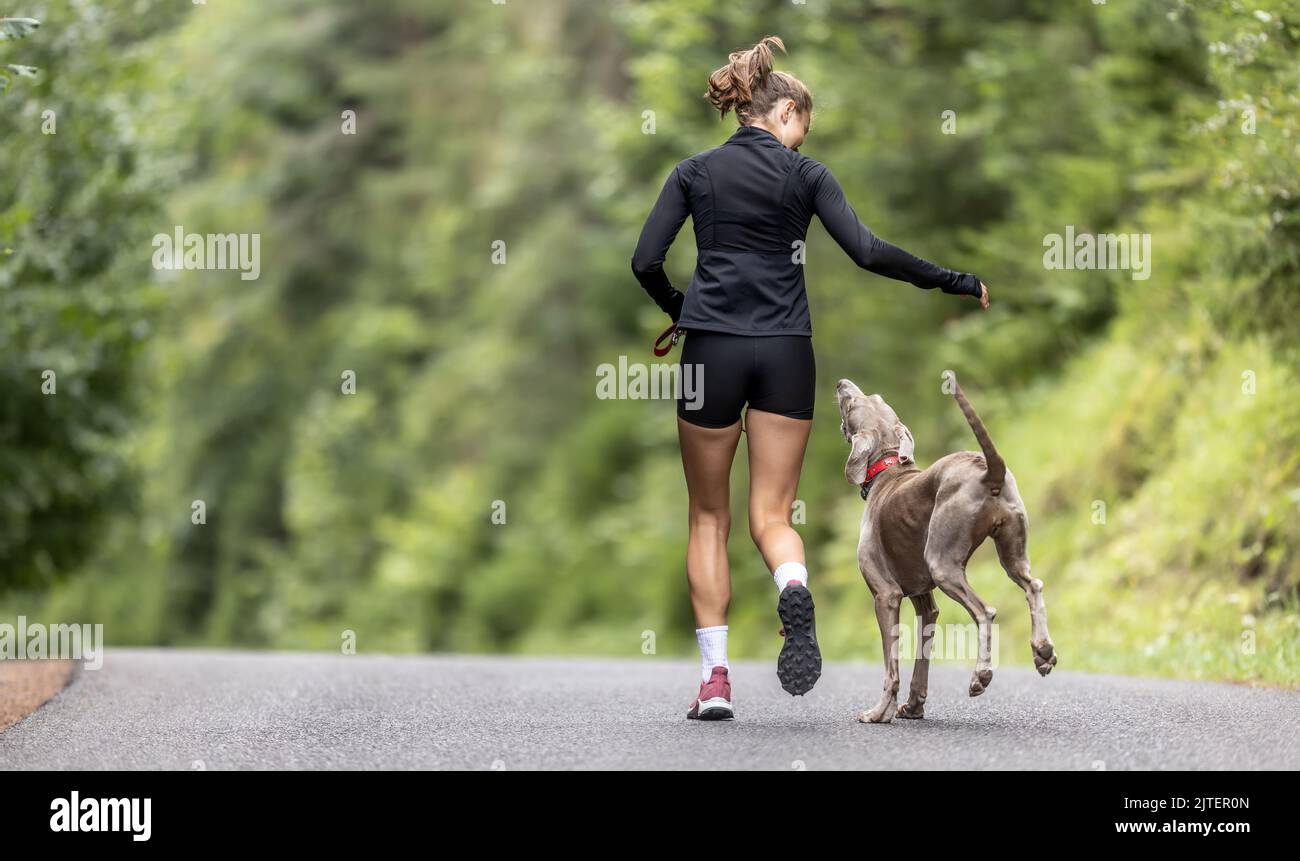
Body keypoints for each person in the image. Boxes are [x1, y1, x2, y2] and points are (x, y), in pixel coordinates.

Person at [631, 35, 989, 721]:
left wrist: (686, 312)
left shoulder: (692, 172)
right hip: (786, 352)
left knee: (709, 515)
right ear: (788, 110)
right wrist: (954, 280)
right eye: (804, 128)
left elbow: (646, 260)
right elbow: (869, 250)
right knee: (773, 514)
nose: (802, 141)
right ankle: (793, 583)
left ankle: (714, 682)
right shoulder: (808, 177)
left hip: (712, 352)